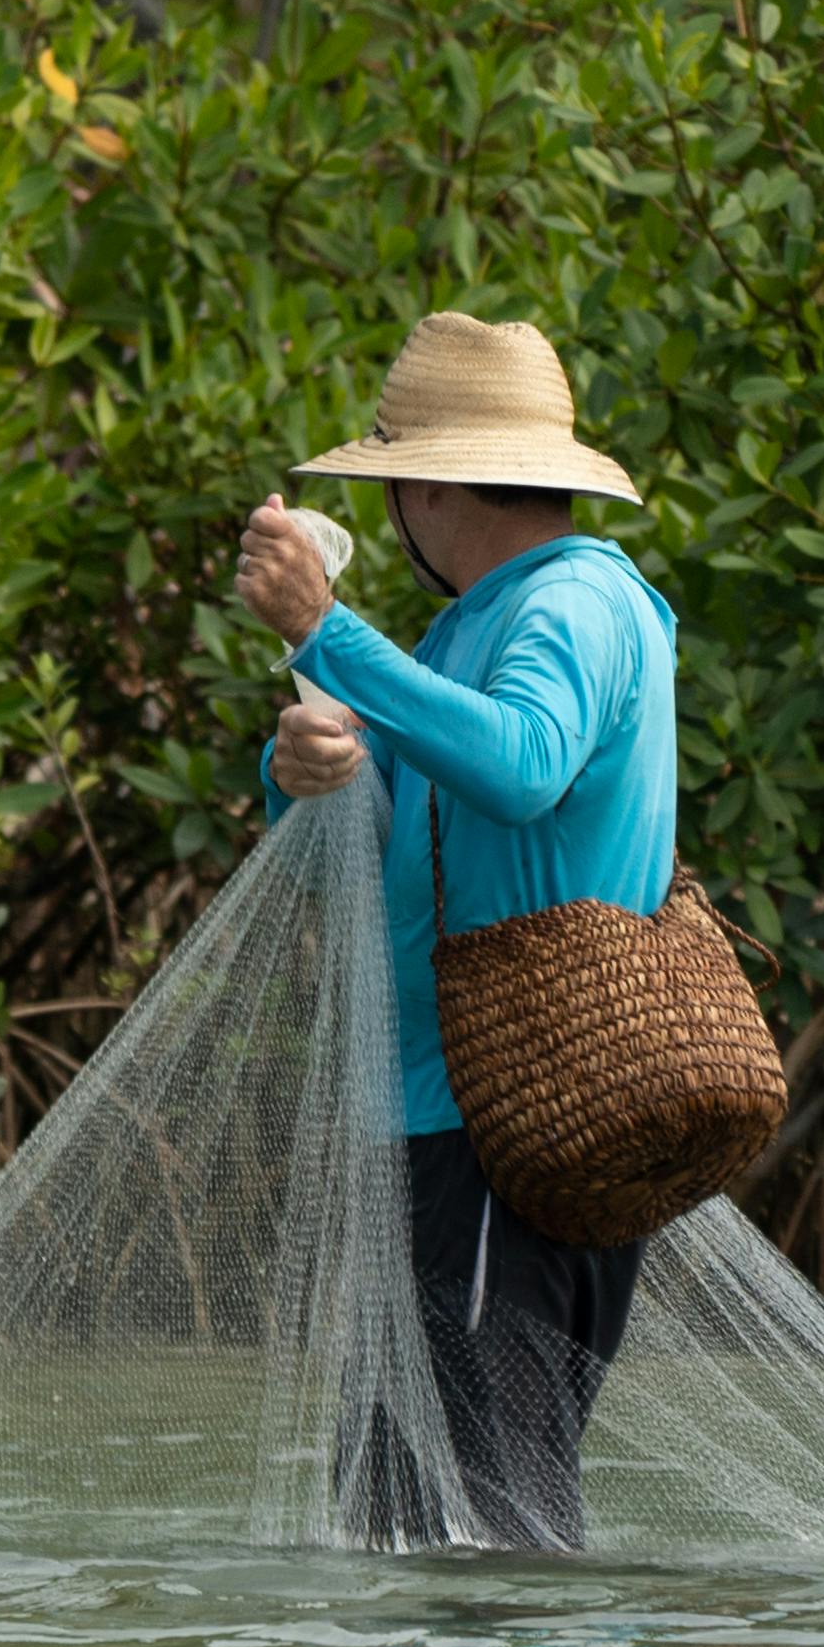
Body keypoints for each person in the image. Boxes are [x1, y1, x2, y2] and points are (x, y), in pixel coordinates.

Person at [234, 309, 679, 1553]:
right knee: (395, 1506)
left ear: (424, 483)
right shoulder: (461, 628)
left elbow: (528, 764)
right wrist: (303, 765)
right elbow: (393, 827)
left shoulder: (576, 601)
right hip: (448, 1119)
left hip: (510, 1121)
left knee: (490, 1515)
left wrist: (324, 629)